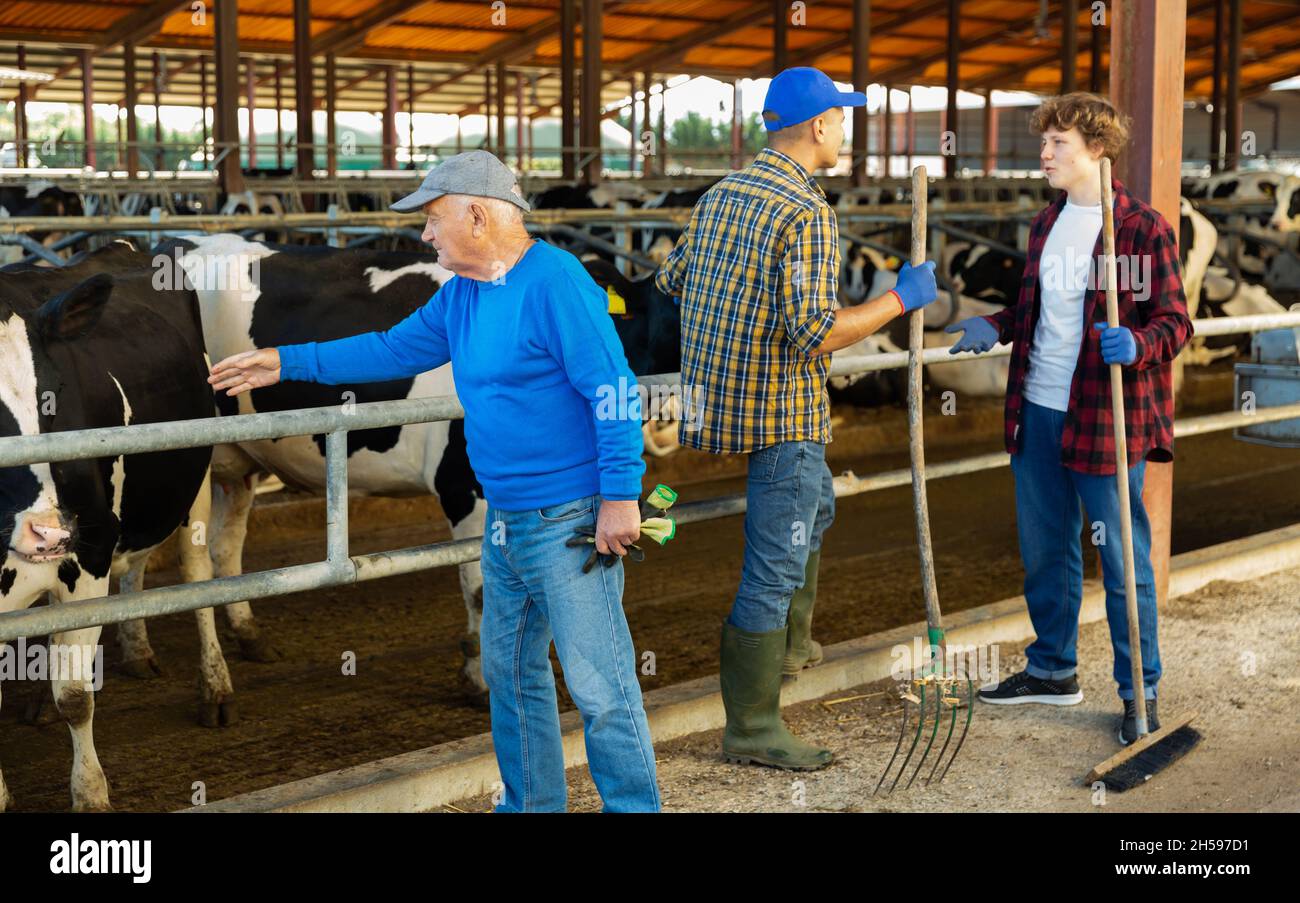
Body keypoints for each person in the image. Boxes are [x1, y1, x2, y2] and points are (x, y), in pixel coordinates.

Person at [207, 150, 660, 811]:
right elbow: (389, 349)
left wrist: (621, 494)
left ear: (477, 215)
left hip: (571, 518)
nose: (424, 235)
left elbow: (615, 389)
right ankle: (531, 804)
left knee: (600, 684)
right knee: (511, 676)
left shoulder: (557, 283)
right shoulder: (465, 295)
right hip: (505, 519)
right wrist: (284, 361)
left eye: (432, 218)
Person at [655, 67, 939, 770]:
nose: (843, 129)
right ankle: (752, 724)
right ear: (817, 127)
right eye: (840, 118)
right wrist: (901, 299)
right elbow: (816, 332)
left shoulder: (723, 193)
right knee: (772, 567)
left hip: (720, 401)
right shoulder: (808, 211)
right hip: (783, 414)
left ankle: (793, 644)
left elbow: (670, 281)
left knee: (816, 510)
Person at [947, 93, 1193, 745]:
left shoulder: (1139, 229)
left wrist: (1140, 343)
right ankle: (1053, 669)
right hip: (1038, 412)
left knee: (1123, 563)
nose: (1045, 153)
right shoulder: (1046, 222)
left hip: (1106, 420)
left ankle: (1140, 691)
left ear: (1098, 150)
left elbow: (1176, 319)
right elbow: (1036, 313)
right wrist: (995, 324)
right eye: (1044, 142)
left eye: (1058, 143)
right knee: (1045, 551)